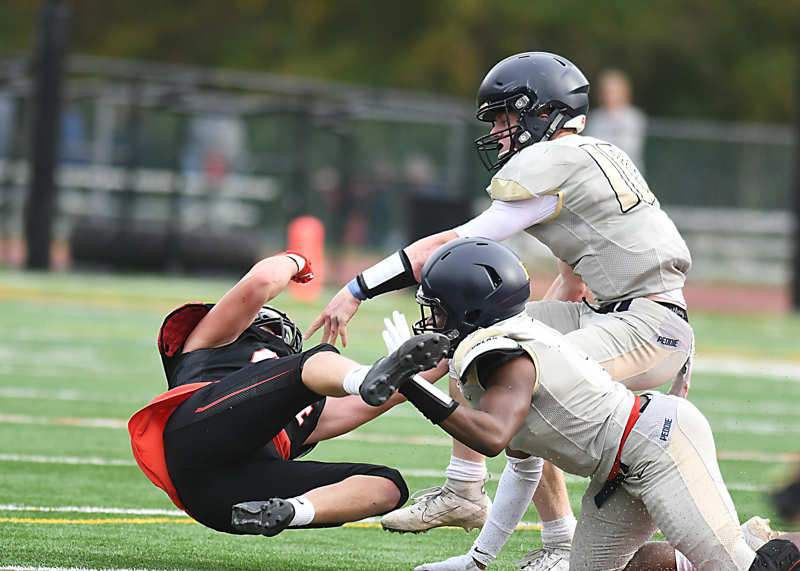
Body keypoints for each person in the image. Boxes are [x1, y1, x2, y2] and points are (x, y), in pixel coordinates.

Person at [306, 51, 694, 569]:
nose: (500, 130)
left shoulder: (551, 164)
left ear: (543, 111)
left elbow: (449, 247)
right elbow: (574, 278)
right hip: (623, 316)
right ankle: (458, 487)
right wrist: (512, 336)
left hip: (646, 327)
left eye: (506, 116)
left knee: (517, 381)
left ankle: (501, 552)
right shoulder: (583, 159)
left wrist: (357, 288)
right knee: (474, 342)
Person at [376, 237, 800, 571]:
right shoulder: (501, 353)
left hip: (659, 447)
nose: (430, 321)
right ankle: (728, 545)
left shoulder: (508, 356)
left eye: (437, 309)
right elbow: (522, 467)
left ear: (470, 310)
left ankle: (756, 550)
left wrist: (411, 385)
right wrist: (478, 560)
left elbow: (490, 438)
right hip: (616, 475)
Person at [128, 250, 450, 537]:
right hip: (201, 436)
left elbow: (390, 391)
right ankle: (364, 373)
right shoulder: (214, 341)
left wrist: (456, 349)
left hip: (229, 499)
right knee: (318, 359)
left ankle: (291, 511)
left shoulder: (313, 392)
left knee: (390, 487)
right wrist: (298, 259)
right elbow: (262, 281)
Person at [582, 69, 648, 172]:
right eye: (605, 92)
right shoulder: (595, 118)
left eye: (613, 92)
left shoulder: (633, 118)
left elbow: (629, 147)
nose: (609, 96)